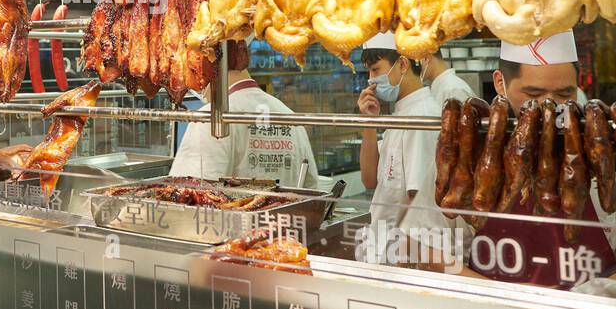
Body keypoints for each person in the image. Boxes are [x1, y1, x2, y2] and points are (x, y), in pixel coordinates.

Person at [451, 32, 616, 296]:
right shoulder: (472, 155)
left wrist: (583, 300)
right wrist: (514, 303)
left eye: (565, 93)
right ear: (500, 83)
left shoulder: (609, 158)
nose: (550, 106)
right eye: (533, 93)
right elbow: (434, 256)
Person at [356, 32, 458, 255]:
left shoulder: (421, 116)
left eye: (376, 70)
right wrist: (369, 122)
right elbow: (369, 179)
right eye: (369, 72)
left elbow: (419, 202)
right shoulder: (401, 113)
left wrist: (408, 258)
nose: (371, 79)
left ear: (402, 64)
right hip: (386, 250)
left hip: (402, 254)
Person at [170, 61, 319, 188]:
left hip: (227, 221)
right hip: (284, 220)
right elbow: (312, 188)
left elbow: (185, 190)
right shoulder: (289, 115)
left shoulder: (211, 118)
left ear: (204, 66)